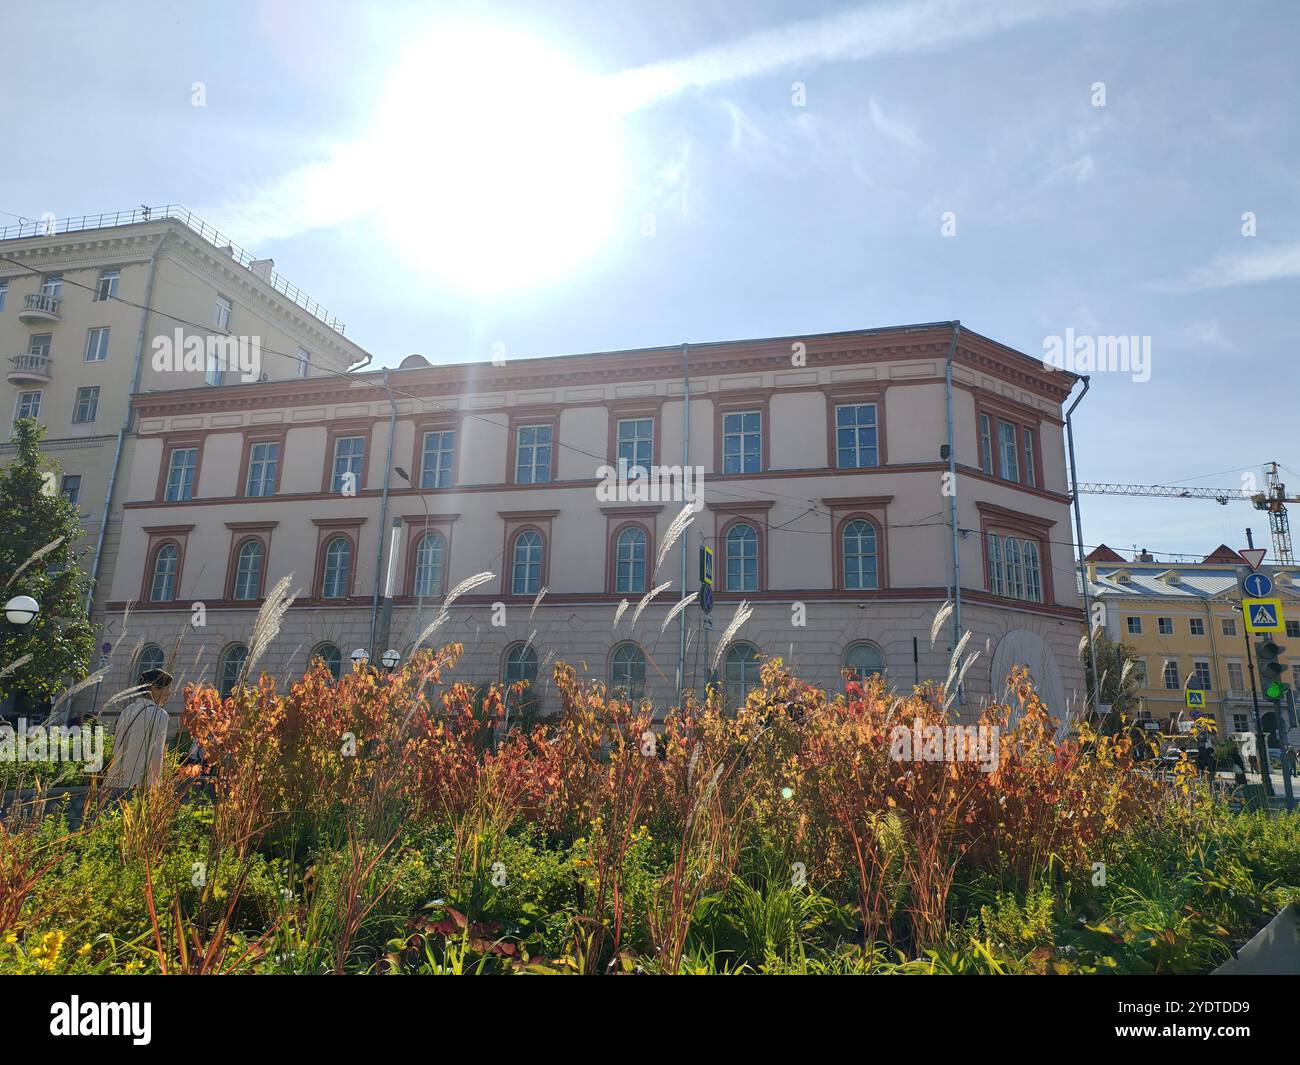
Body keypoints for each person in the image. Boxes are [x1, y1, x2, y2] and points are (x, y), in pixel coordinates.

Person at [103, 668, 173, 794]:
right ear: (154, 688)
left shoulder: (127, 711)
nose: (169, 693)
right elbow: (157, 755)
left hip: (115, 779)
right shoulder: (161, 715)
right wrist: (155, 786)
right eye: (167, 688)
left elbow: (116, 747)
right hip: (140, 783)